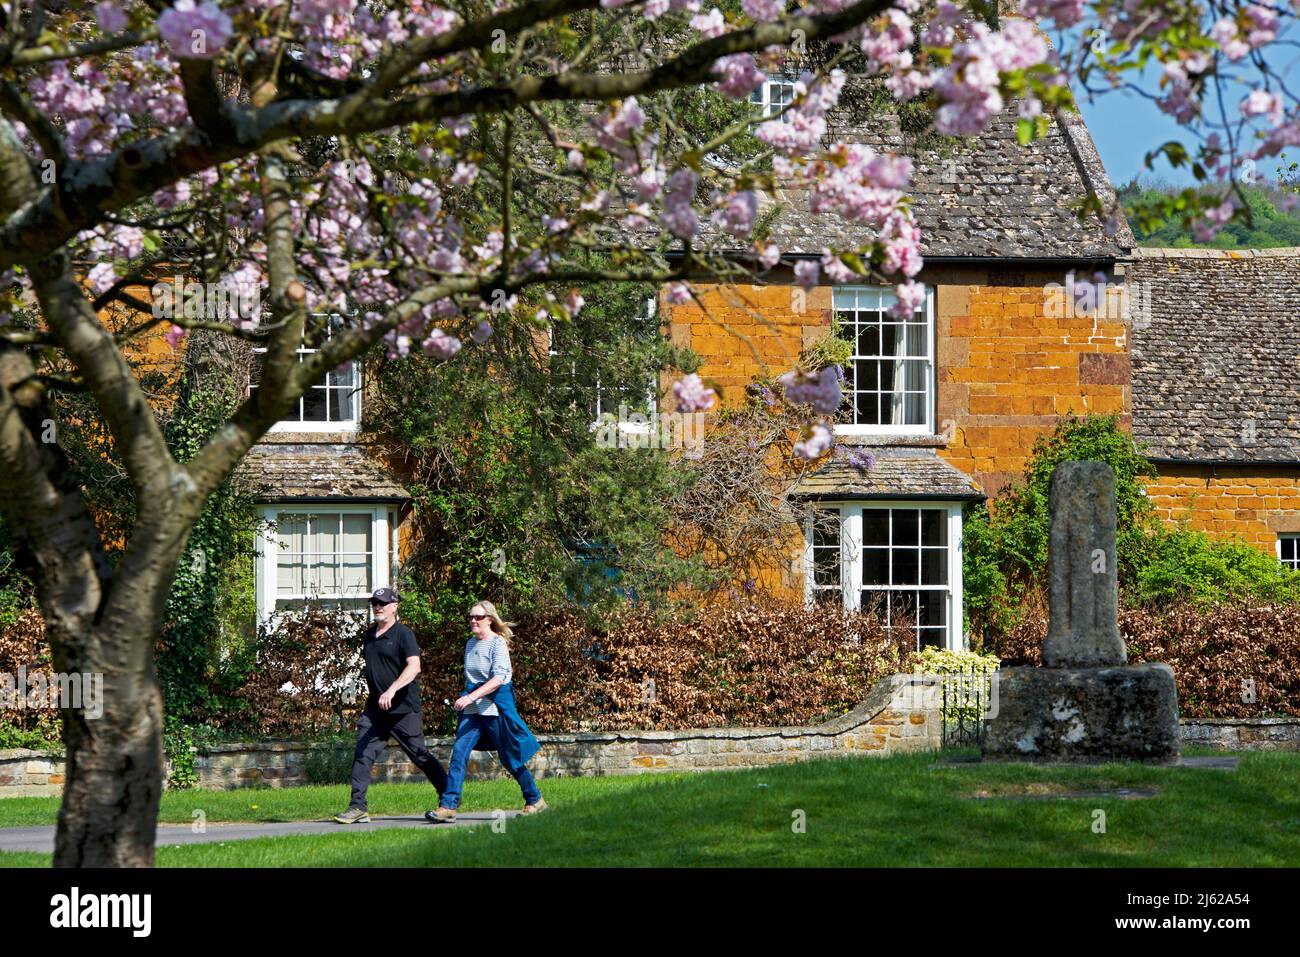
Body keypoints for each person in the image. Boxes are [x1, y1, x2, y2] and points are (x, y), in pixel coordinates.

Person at [333, 587, 448, 824]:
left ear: (394, 606)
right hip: (376, 711)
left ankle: (448, 797)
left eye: (382, 603)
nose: (377, 607)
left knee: (420, 756)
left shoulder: (404, 634)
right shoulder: (370, 635)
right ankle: (357, 807)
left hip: (403, 709)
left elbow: (414, 667)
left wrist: (392, 689)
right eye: (374, 603)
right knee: (363, 754)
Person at [426, 600, 546, 822]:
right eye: (471, 617)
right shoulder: (470, 644)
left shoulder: (497, 644)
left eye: (478, 617)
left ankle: (534, 798)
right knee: (459, 754)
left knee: (509, 758)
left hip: (493, 710)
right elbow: (471, 678)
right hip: (473, 712)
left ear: (489, 620)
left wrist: (471, 696)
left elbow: (499, 678)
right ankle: (448, 805)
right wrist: (467, 698)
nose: (473, 620)